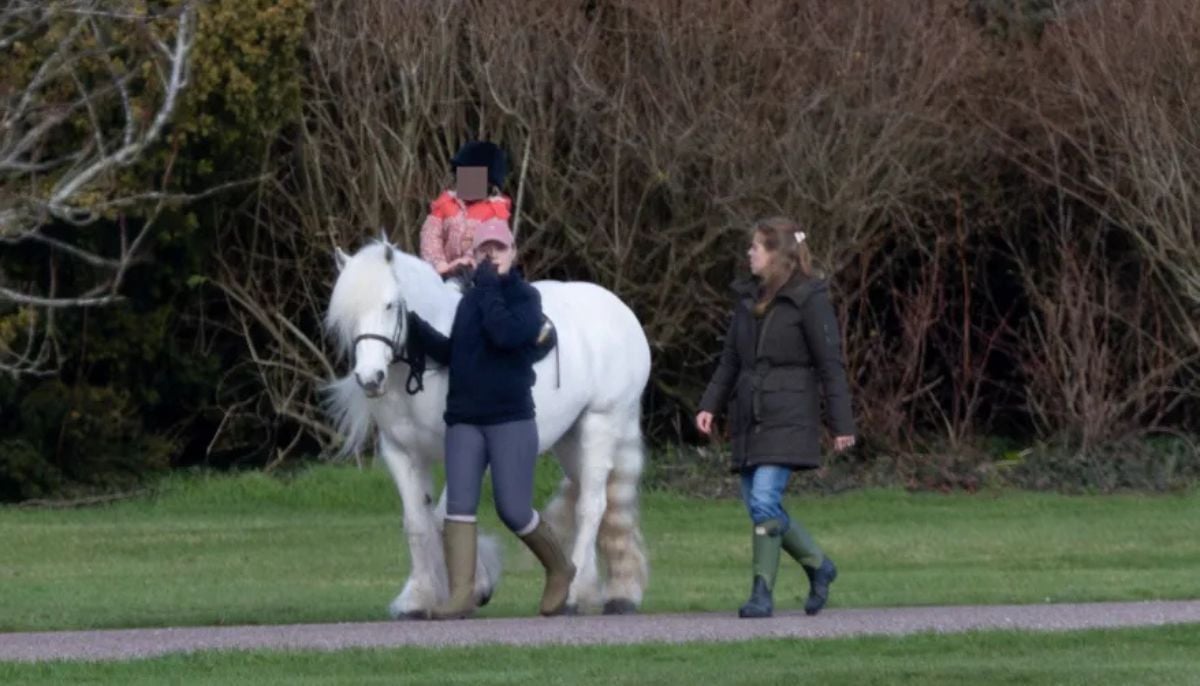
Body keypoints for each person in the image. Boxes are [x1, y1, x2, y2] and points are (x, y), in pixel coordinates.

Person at [407, 218, 574, 619]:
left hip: (510, 419)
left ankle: (559, 569)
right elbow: (454, 354)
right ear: (475, 255)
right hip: (464, 419)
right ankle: (461, 594)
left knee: (513, 509)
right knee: (458, 509)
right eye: (484, 249)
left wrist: (486, 289)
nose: (492, 255)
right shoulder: (470, 302)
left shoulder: (525, 300)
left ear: (513, 253)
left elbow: (504, 334)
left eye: (499, 248)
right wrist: (415, 331)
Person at [695, 216, 857, 619]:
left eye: (756, 247)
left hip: (790, 415)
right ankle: (820, 566)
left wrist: (842, 424)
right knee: (757, 504)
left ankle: (761, 594)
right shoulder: (747, 300)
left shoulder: (810, 298)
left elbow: (830, 365)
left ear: (775, 255)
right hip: (751, 416)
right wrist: (709, 404)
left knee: (765, 498)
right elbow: (731, 359)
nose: (749, 253)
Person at [419, 141, 514, 290]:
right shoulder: (444, 204)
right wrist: (439, 264)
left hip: (477, 274)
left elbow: (490, 244)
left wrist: (466, 262)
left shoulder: (495, 211)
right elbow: (431, 236)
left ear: (489, 183)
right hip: (440, 272)